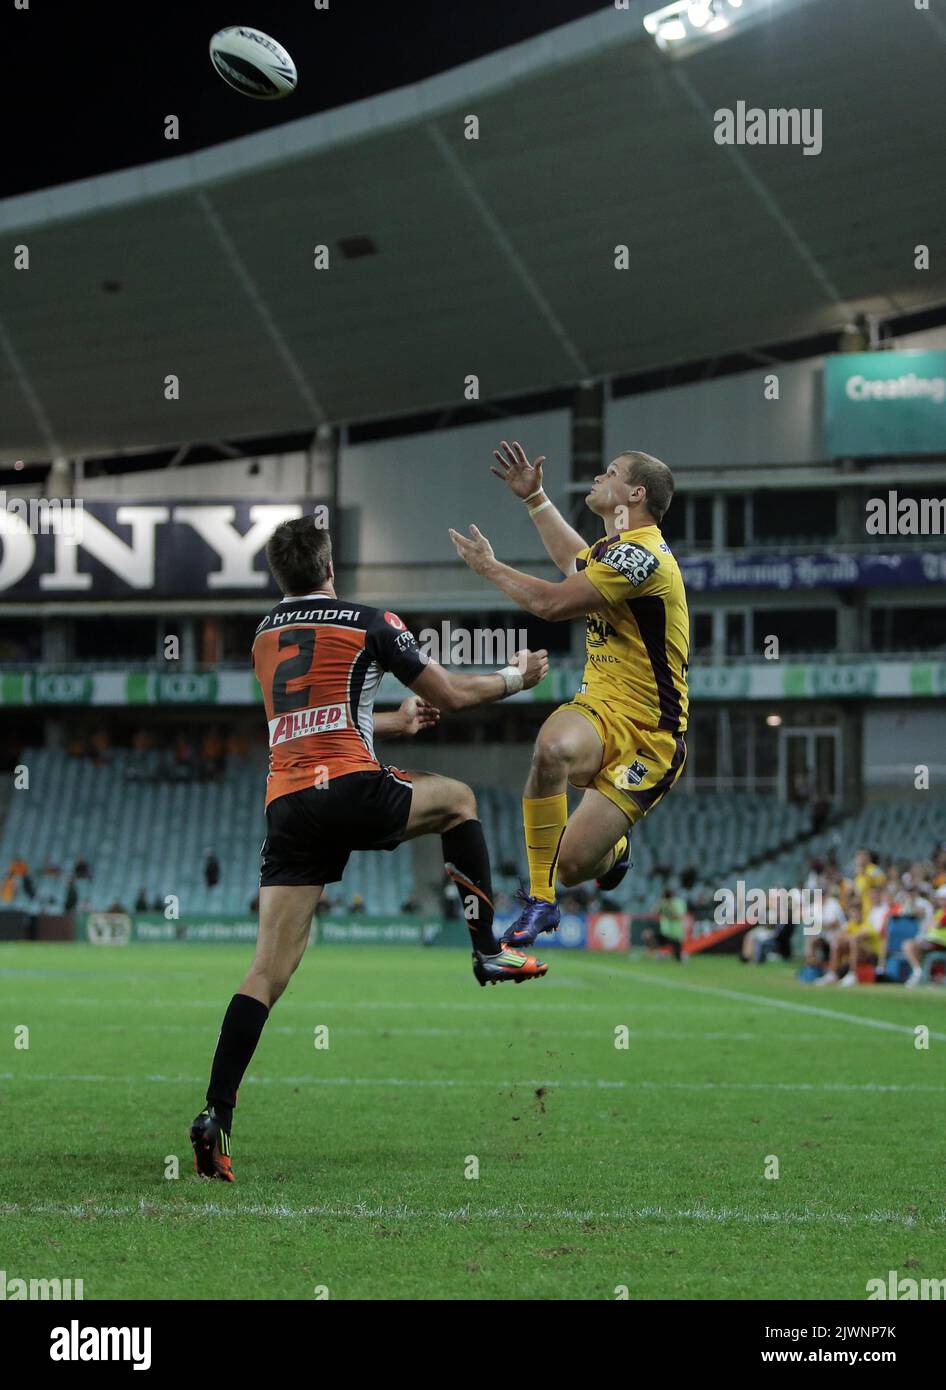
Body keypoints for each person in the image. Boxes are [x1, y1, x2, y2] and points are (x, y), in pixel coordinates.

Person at [190, 514, 550, 1181]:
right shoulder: (368, 619)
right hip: (351, 787)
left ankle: (216, 1116)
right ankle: (487, 952)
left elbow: (309, 719)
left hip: (289, 803)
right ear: (331, 563)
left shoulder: (265, 635)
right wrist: (514, 678)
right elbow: (449, 692)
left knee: (266, 974)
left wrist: (390, 720)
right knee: (459, 801)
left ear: (280, 574)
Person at [449, 442, 688, 948]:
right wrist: (534, 498)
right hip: (600, 709)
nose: (598, 476)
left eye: (612, 472)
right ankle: (541, 901)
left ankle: (613, 850)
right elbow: (571, 561)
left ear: (635, 493)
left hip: (653, 735)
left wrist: (490, 567)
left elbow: (553, 604)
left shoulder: (642, 558)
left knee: (577, 864)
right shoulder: (614, 551)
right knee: (551, 746)